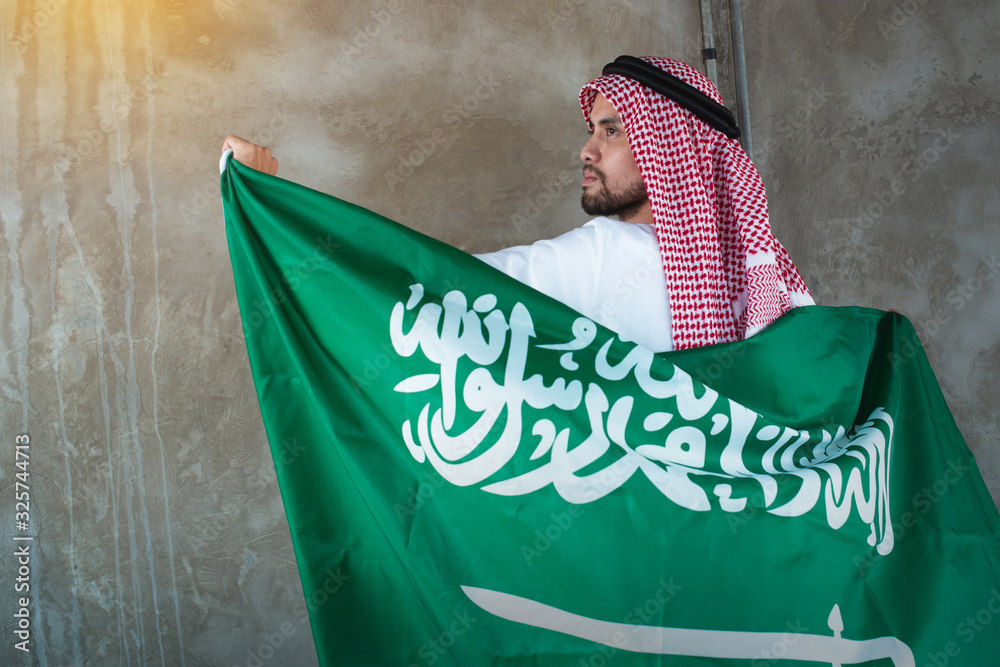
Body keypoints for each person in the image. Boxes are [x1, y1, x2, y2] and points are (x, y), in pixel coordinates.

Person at [222, 56, 813, 353]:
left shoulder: (604, 254)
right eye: (590, 130)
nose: (586, 150)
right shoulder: (775, 286)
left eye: (612, 130)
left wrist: (279, 210)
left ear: (672, 149)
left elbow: (424, 290)